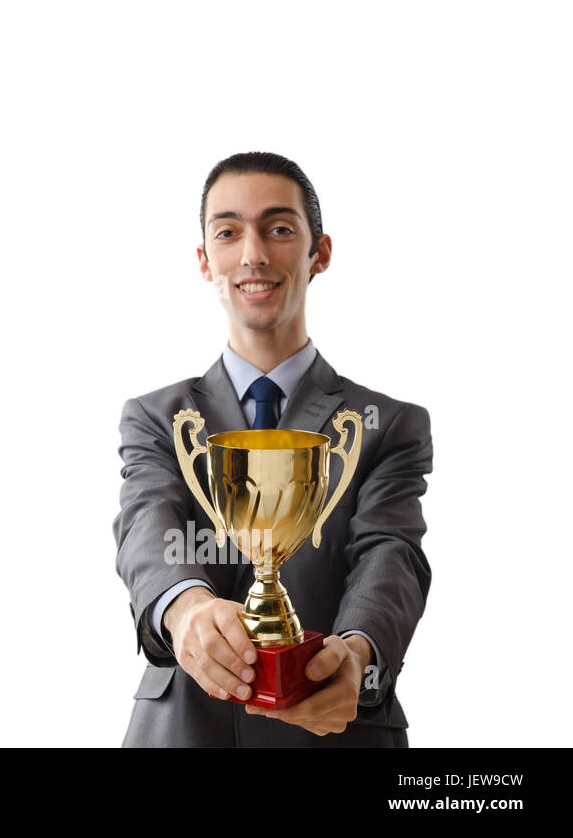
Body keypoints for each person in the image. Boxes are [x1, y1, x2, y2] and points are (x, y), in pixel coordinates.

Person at [113, 153, 431, 747]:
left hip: (338, 727)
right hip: (182, 728)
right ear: (205, 261)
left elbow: (391, 555)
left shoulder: (388, 425)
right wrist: (185, 610)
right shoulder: (156, 418)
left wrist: (358, 656)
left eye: (279, 229)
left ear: (320, 252)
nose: (253, 254)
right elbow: (145, 525)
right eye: (228, 232)